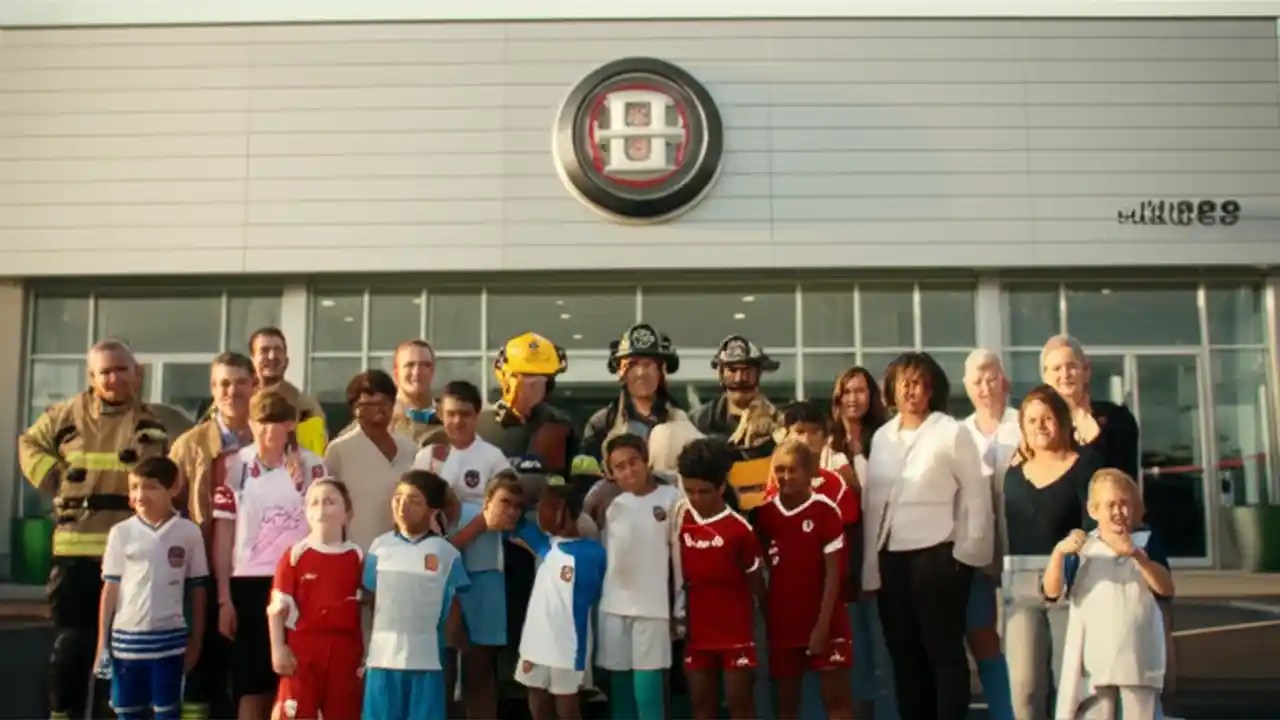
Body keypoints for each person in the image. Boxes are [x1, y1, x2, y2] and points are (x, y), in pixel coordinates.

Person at [18, 339, 170, 720]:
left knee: (121, 649)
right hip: (76, 552)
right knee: (73, 646)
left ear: (137, 374)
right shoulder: (65, 415)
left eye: (122, 369)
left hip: (130, 554)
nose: (114, 377)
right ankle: (61, 713)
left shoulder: (154, 423)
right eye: (105, 371)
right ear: (92, 376)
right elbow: (28, 443)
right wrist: (54, 477)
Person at [862, 352, 991, 720]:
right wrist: (871, 568)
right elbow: (874, 505)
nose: (909, 389)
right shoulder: (884, 437)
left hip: (939, 557)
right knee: (904, 654)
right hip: (892, 559)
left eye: (917, 382)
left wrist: (967, 554)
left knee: (944, 653)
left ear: (931, 388)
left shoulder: (952, 432)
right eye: (903, 382)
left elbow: (976, 496)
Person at [212, 390, 327, 720]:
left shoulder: (314, 466)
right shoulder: (236, 465)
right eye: (260, 423)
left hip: (302, 581)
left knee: (298, 681)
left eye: (276, 423)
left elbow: (328, 526)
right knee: (252, 685)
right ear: (250, 423)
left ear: (290, 424)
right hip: (250, 582)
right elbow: (224, 536)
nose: (267, 432)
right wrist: (224, 599)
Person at [1002, 385, 1101, 720]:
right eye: (1031, 420)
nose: (1040, 426)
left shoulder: (1084, 465)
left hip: (1072, 585)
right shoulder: (1012, 476)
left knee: (1070, 682)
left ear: (1060, 420)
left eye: (1046, 418)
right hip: (1020, 588)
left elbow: (1093, 525)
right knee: (1024, 685)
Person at [169, 350, 257, 720]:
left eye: (240, 382)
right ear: (212, 388)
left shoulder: (272, 437)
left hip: (255, 572)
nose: (231, 390)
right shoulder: (189, 444)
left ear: (254, 384)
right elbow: (170, 507)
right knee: (201, 669)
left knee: (251, 674)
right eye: (223, 383)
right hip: (201, 572)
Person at [1045, 470, 1174, 720]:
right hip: (1093, 665)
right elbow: (1052, 593)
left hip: (1138, 660)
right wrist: (1058, 555)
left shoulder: (1146, 542)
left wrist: (1136, 556)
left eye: (1125, 504)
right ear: (1094, 511)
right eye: (1110, 505)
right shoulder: (1082, 548)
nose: (1118, 511)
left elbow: (1166, 588)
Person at [95, 456, 208, 720]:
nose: (140, 495)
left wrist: (197, 639)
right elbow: (110, 589)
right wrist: (103, 645)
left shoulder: (188, 532)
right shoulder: (121, 533)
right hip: (126, 643)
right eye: (134, 487)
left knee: (167, 712)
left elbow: (198, 590)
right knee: (127, 712)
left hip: (170, 643)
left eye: (150, 487)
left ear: (173, 488)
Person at [753, 439, 855, 720]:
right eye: (779, 469)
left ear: (810, 472)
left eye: (792, 470)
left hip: (826, 623)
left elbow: (834, 575)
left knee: (837, 703)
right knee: (786, 706)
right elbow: (761, 570)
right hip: (784, 626)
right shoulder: (764, 514)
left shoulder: (825, 511)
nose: (785, 476)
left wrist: (822, 627)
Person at [774, 401, 863, 720]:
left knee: (836, 697)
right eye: (799, 431)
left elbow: (846, 540)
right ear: (784, 434)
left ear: (826, 438)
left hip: (828, 605)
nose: (806, 439)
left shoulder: (836, 484)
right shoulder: (775, 483)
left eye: (814, 432)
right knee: (787, 700)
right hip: (785, 611)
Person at [363, 470, 471, 720]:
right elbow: (370, 597)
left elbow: (454, 608)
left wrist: (454, 652)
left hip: (427, 661)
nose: (403, 506)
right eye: (398, 497)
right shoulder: (379, 547)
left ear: (433, 510)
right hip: (383, 660)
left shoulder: (446, 554)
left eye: (414, 500)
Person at [674, 439, 765, 720]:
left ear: (722, 488)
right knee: (701, 707)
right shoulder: (679, 519)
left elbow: (758, 588)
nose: (696, 499)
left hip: (735, 635)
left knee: (740, 706)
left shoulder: (740, 531)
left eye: (704, 491)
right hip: (697, 635)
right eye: (690, 491)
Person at [596, 434, 682, 720]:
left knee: (648, 697)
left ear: (647, 461)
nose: (628, 471)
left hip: (653, 611)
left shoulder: (672, 499)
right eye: (619, 466)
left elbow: (679, 559)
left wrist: (679, 608)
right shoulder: (609, 503)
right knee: (621, 697)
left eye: (633, 462)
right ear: (611, 473)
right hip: (612, 608)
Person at [827, 367, 896, 720]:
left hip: (884, 555)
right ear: (838, 398)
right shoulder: (827, 445)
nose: (854, 398)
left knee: (886, 651)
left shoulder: (885, 439)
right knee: (854, 653)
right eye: (847, 391)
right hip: (845, 561)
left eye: (861, 390)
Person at [266, 478, 363, 720]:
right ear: (306, 513)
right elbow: (277, 609)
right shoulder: (294, 556)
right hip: (303, 650)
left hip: (346, 651)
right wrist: (278, 649)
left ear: (347, 513)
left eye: (330, 502)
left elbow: (368, 609)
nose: (322, 508)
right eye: (315, 502)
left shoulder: (358, 557)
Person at [512, 484, 608, 720]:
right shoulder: (546, 546)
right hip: (535, 641)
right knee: (535, 693)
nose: (539, 513)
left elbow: (592, 594)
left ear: (561, 510)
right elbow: (517, 524)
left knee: (566, 700)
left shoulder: (591, 553)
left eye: (544, 507)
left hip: (569, 643)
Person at [961, 350, 1020, 720]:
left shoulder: (1024, 424)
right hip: (978, 555)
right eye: (977, 381)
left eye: (992, 378)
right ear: (967, 388)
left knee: (1026, 639)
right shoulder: (958, 432)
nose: (985, 387)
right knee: (983, 637)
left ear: (1006, 383)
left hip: (1023, 550)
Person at [446, 473, 525, 720]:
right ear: (487, 500)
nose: (511, 511)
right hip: (460, 593)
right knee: (449, 671)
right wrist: (480, 524)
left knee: (481, 670)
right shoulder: (466, 514)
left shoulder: (519, 531)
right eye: (505, 502)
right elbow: (444, 550)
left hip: (492, 594)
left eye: (517, 506)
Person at [690, 335, 786, 512]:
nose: (739, 378)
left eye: (747, 371)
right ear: (720, 374)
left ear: (759, 374)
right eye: (732, 370)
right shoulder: (698, 422)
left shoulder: (781, 422)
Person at [325, 370, 418, 550]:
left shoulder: (410, 448)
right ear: (355, 409)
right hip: (357, 552)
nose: (379, 409)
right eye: (369, 403)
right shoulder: (339, 451)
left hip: (403, 552)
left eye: (384, 402)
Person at [582, 323, 695, 463]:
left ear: (661, 371)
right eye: (633, 365)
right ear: (622, 373)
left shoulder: (685, 419)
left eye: (648, 364)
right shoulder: (602, 425)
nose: (641, 373)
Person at [478, 332, 578, 477]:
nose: (531, 383)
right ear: (504, 377)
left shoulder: (561, 427)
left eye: (540, 377)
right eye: (524, 375)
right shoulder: (482, 427)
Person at [1040, 335, 1139, 480]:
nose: (1065, 374)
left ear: (1086, 371)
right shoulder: (1039, 425)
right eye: (1057, 369)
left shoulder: (1116, 419)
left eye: (1071, 366)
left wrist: (1094, 437)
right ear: (1045, 377)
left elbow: (1122, 476)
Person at [415, 380, 512, 505]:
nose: (458, 421)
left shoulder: (493, 457)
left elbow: (507, 501)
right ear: (440, 414)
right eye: (451, 414)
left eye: (465, 414)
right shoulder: (427, 456)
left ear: (477, 415)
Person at [248, 327, 328, 455]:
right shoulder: (238, 400)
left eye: (278, 350)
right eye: (264, 350)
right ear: (252, 359)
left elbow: (315, 454)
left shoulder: (305, 407)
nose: (272, 356)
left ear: (286, 360)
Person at [390, 339, 448, 446]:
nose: (417, 372)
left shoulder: (449, 418)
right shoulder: (381, 419)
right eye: (410, 365)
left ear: (432, 371)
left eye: (425, 365)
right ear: (396, 373)